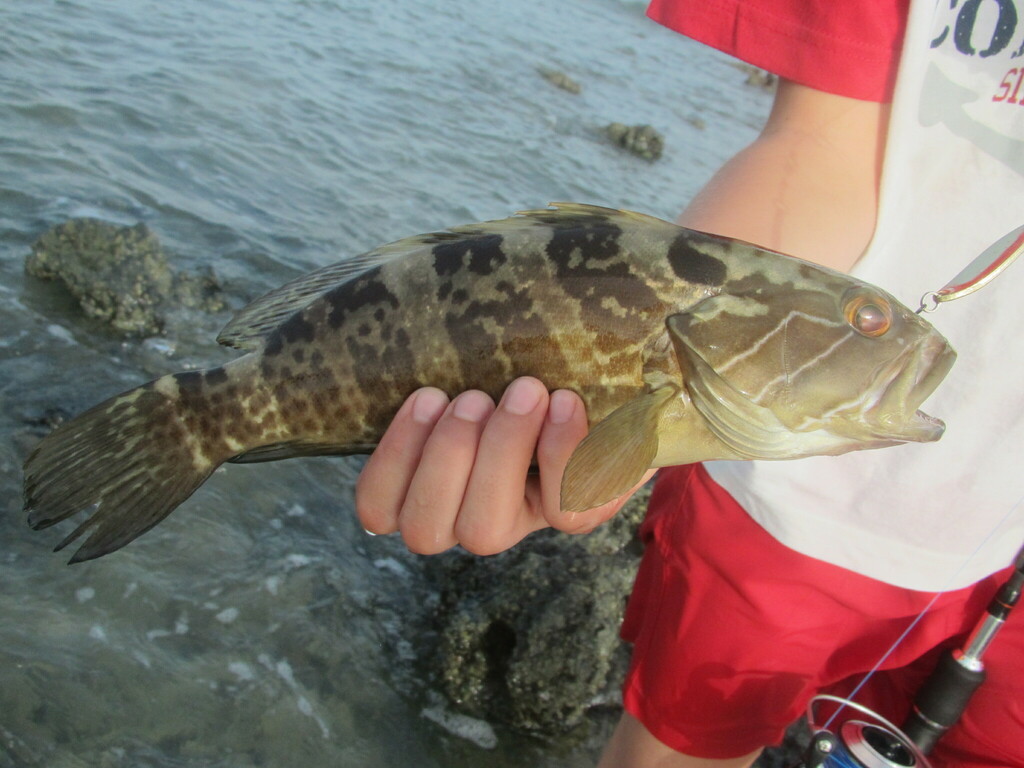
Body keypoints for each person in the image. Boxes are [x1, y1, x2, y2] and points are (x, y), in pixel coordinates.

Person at [356, 1, 1024, 765]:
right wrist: (604, 450)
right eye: (868, 321)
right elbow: (820, 150)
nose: (899, 336)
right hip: (785, 519)